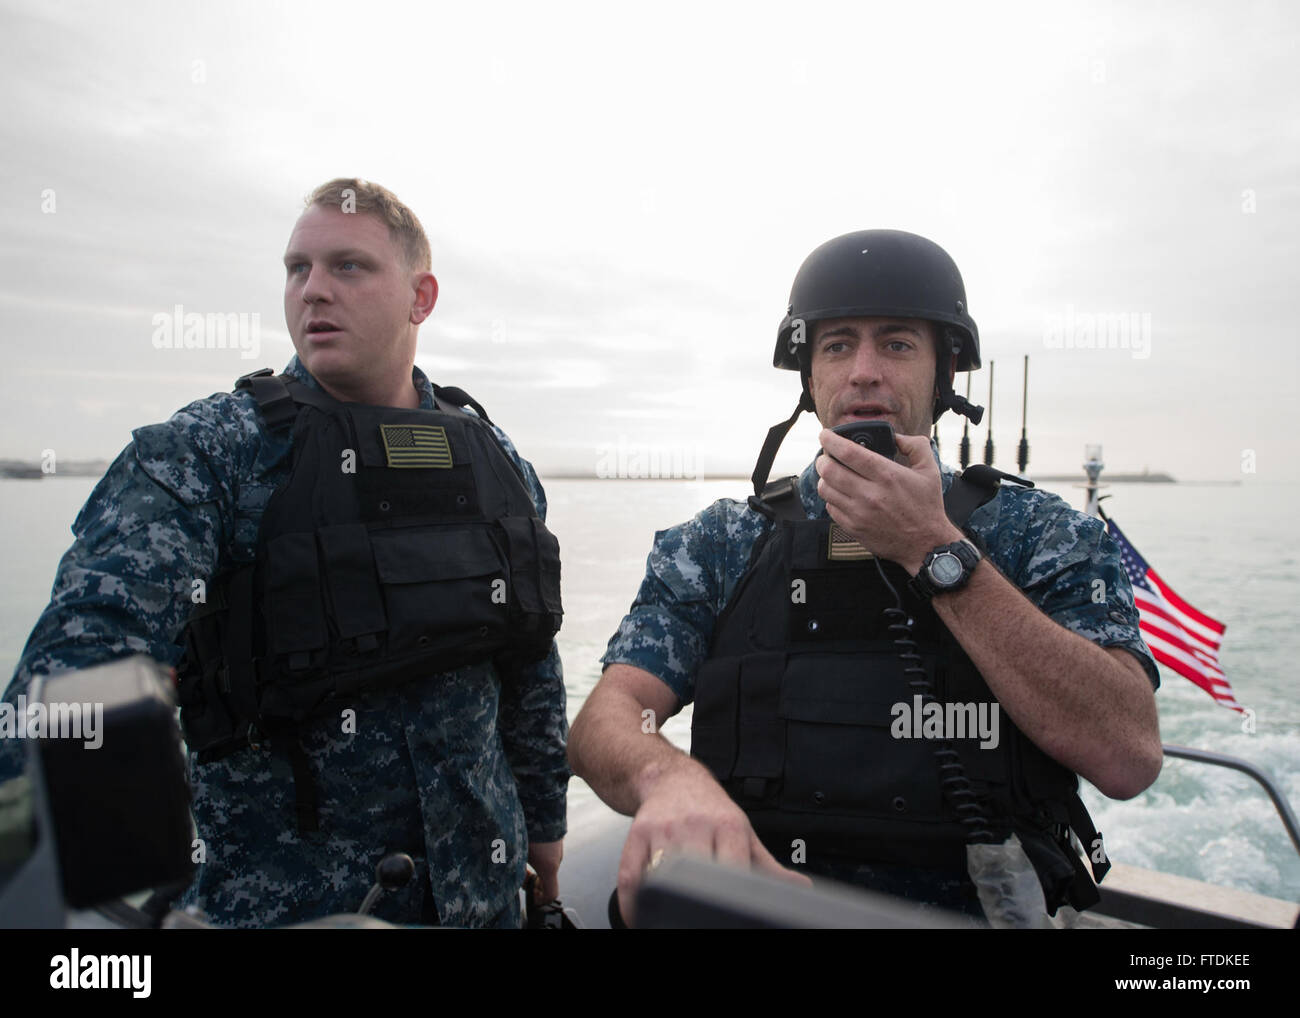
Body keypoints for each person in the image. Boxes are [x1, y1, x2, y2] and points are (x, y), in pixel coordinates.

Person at [0, 178, 568, 928]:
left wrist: (547, 831)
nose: (313, 291)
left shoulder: (494, 461)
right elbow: (85, 646)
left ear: (420, 297)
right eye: (297, 269)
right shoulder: (210, 455)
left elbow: (530, 662)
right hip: (276, 910)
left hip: (482, 905)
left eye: (348, 267)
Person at [568, 229, 1162, 926]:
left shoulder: (1041, 535)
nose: (865, 372)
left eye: (898, 344)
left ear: (944, 373)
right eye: (838, 345)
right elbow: (604, 720)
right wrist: (664, 778)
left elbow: (1129, 755)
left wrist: (932, 548)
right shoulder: (723, 541)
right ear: (810, 375)